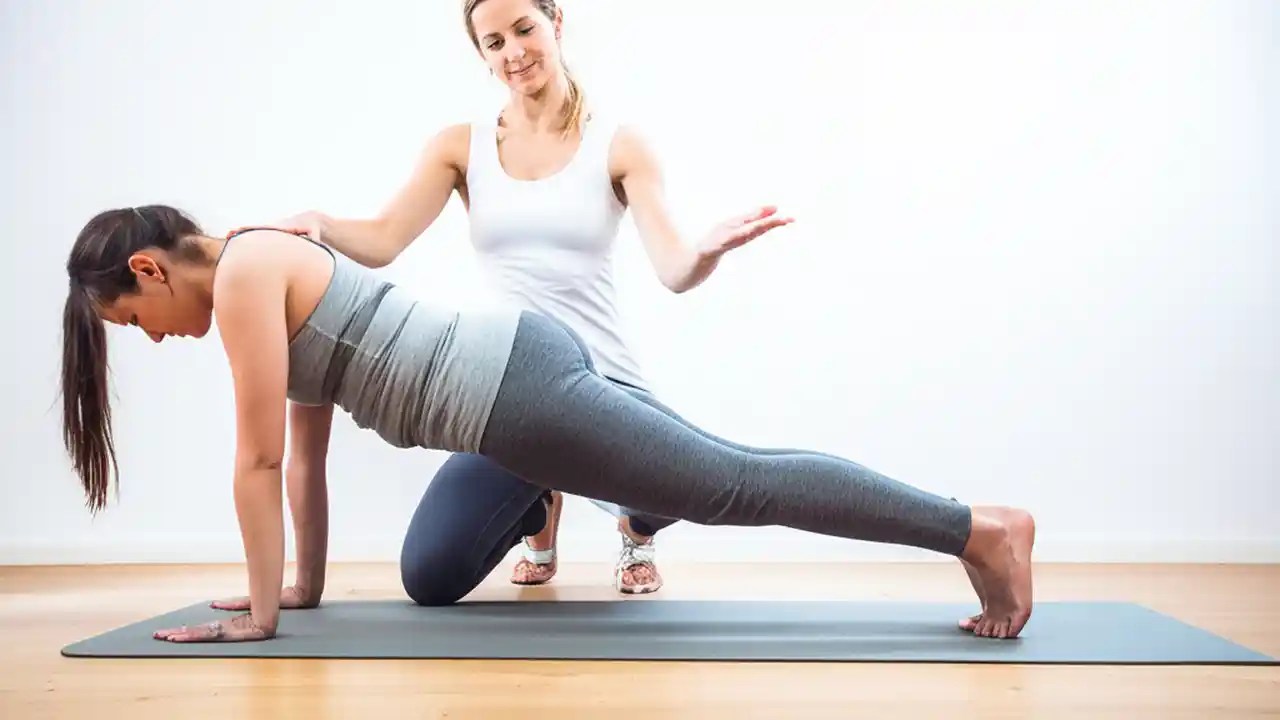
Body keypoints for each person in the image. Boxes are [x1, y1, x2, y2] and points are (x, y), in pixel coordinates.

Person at [59, 206, 1036, 644]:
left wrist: (262, 622)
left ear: (149, 271)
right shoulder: (255, 272)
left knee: (729, 485)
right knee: (432, 581)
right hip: (503, 413)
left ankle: (975, 527)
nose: (149, 340)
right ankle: (558, 482)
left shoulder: (239, 274)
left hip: (515, 393)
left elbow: (255, 459)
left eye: (130, 324)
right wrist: (294, 593)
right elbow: (300, 460)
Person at [234, 0, 795, 596]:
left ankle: (635, 526)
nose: (514, 52)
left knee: (689, 483)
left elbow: (675, 269)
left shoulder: (618, 146)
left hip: (604, 382)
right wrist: (321, 223)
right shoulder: (460, 148)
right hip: (508, 392)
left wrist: (706, 249)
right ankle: (538, 508)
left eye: (524, 29)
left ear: (555, 23)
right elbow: (383, 240)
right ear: (483, 56)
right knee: (431, 576)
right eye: (494, 42)